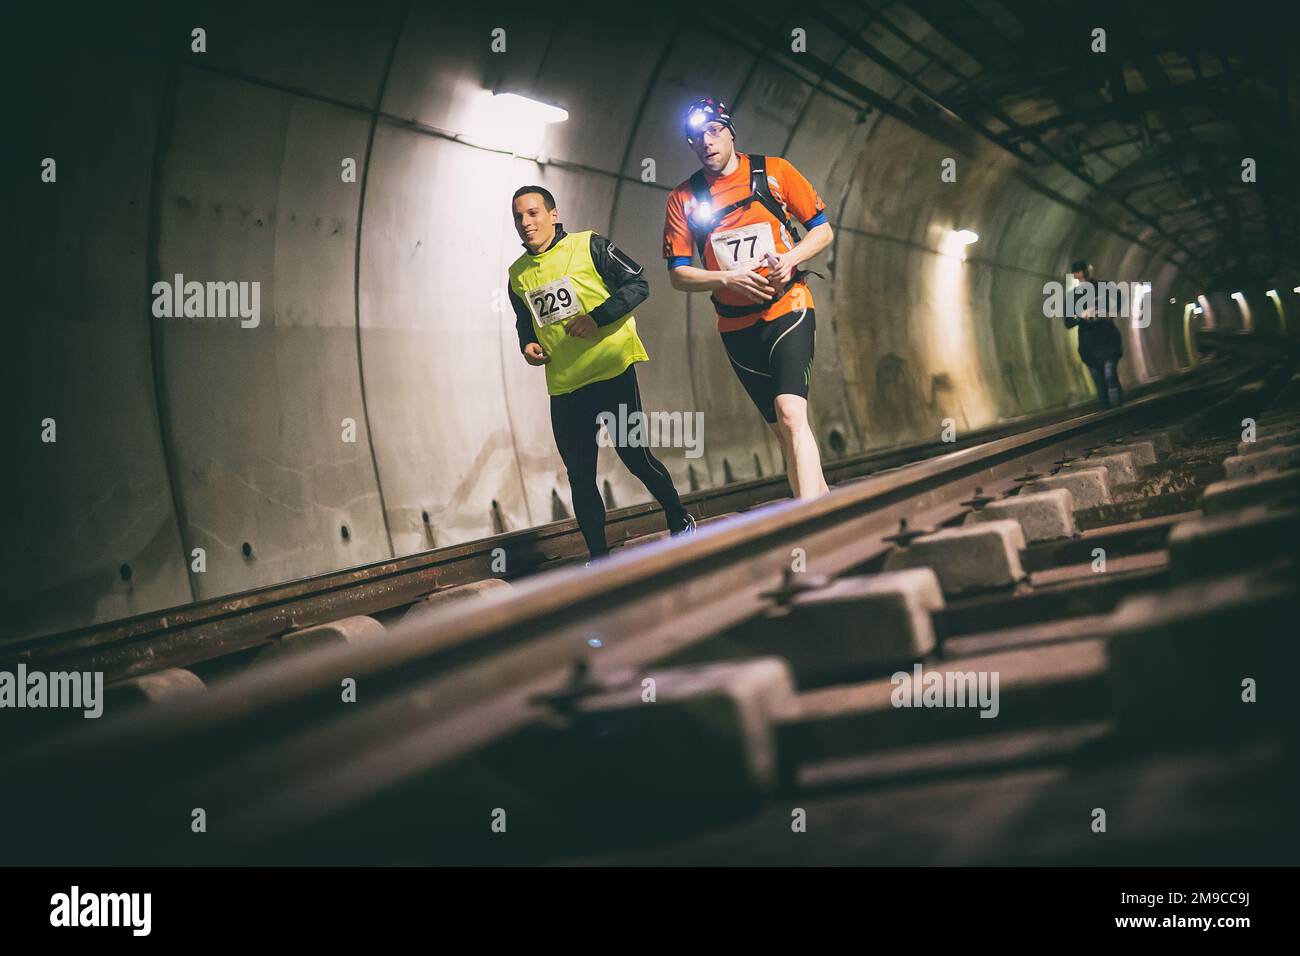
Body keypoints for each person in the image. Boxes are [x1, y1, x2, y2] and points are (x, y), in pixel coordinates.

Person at [507, 185, 695, 560]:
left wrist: (597, 318)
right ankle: (600, 557)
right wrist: (527, 346)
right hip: (566, 386)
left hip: (611, 373)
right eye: (518, 217)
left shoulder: (589, 246)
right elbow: (524, 322)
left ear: (553, 214)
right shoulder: (517, 275)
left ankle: (678, 519)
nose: (526, 223)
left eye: (533, 213)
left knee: (634, 455)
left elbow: (638, 284)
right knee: (579, 473)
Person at [663, 97, 834, 499]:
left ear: (729, 131)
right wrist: (727, 278)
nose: (706, 141)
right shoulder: (684, 198)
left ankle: (811, 521)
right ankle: (824, 504)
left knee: (792, 414)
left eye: (713, 131)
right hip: (736, 326)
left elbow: (822, 230)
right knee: (782, 431)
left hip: (788, 308)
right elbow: (678, 274)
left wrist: (790, 259)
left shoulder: (775, 172)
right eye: (695, 137)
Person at [1065, 258, 1124, 407]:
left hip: (1107, 338)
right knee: (1099, 380)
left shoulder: (1103, 287)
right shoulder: (1073, 296)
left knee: (1110, 375)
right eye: (1076, 272)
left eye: (1081, 271)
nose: (1079, 275)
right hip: (1089, 343)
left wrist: (1109, 312)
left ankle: (1117, 411)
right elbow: (1068, 322)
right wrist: (1081, 316)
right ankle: (1106, 411)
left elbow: (1120, 300)